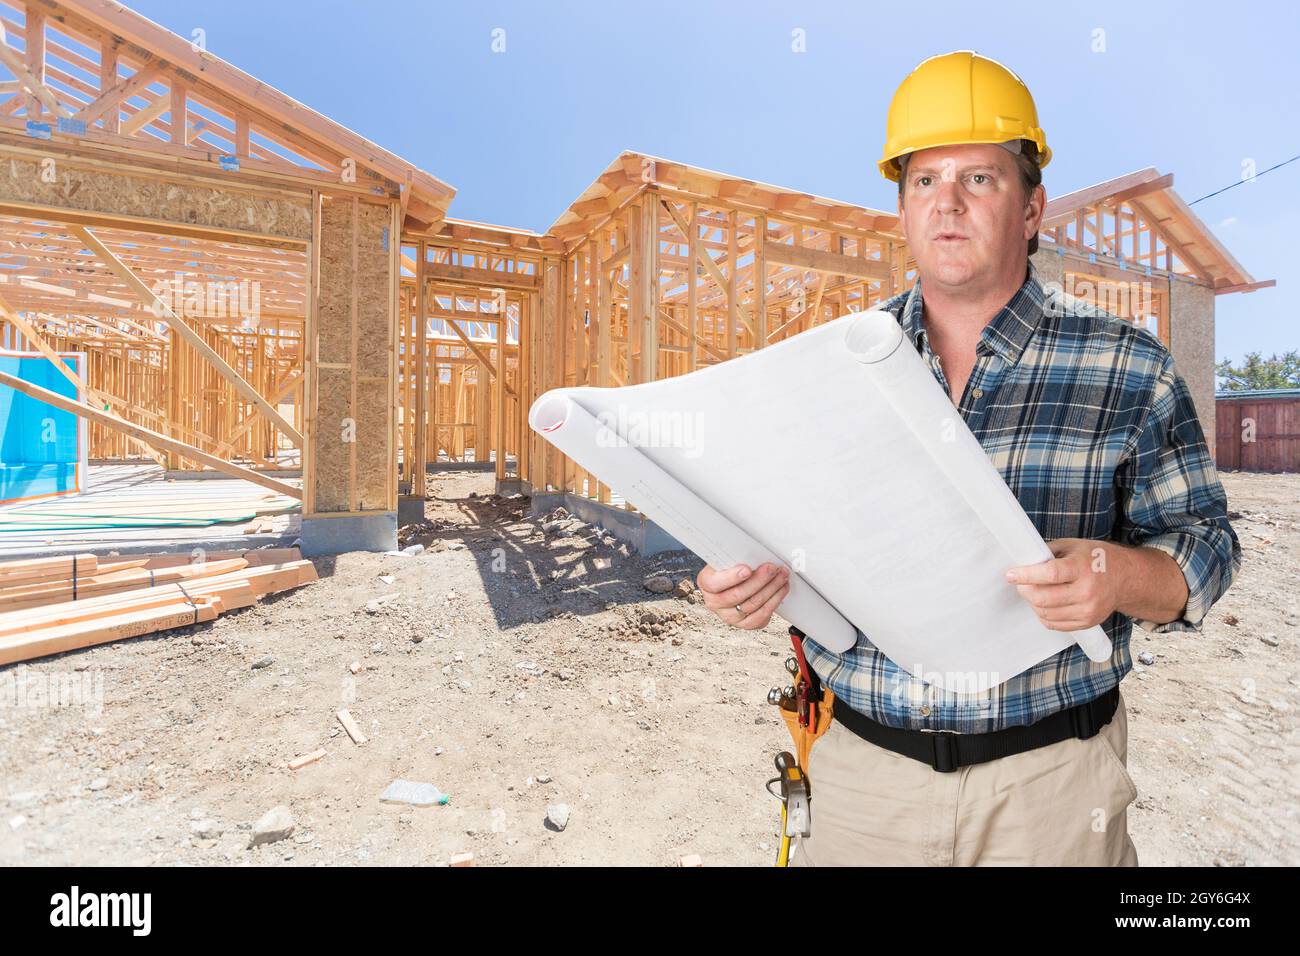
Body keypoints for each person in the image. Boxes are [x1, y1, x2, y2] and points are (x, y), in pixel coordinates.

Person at [695, 50, 1241, 866]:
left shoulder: (1127, 367)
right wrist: (750, 579)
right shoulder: (829, 368)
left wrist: (1117, 576)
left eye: (979, 178)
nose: (946, 202)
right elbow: (783, 530)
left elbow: (1208, 546)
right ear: (903, 208)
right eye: (924, 180)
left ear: (1031, 208)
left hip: (1051, 793)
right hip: (862, 785)